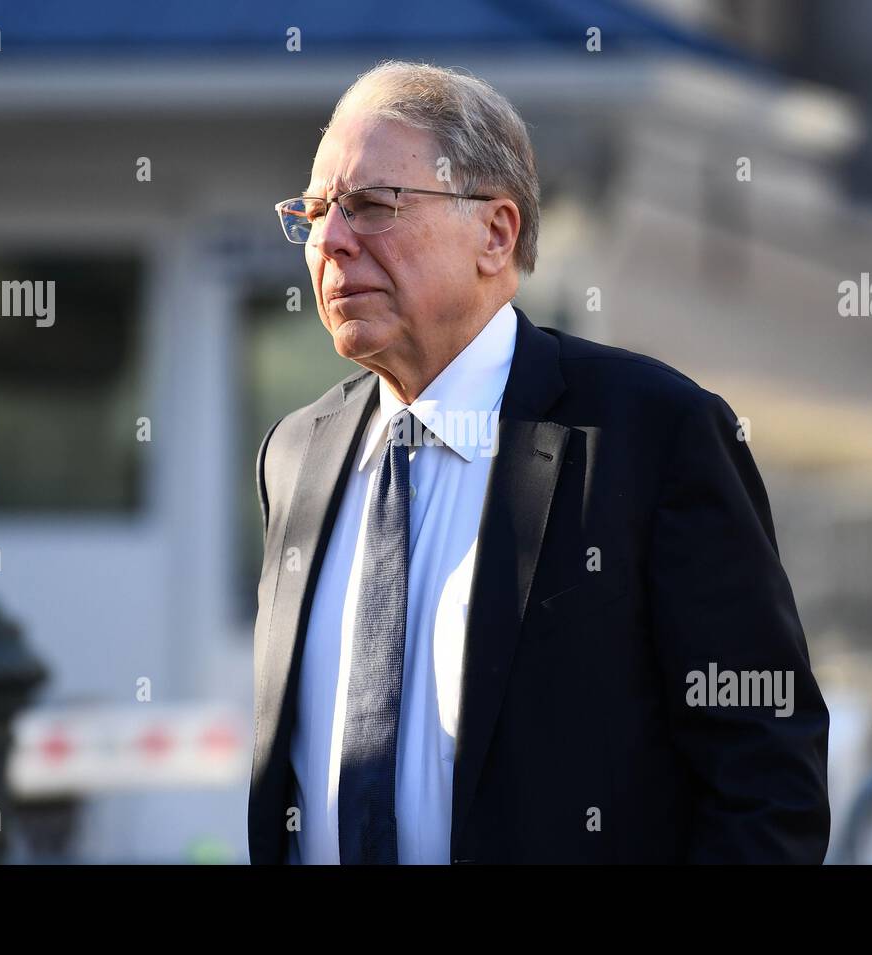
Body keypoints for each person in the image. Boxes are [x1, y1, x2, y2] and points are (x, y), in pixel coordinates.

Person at [249, 60, 830, 864]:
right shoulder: (295, 452)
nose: (331, 240)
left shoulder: (652, 434)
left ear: (496, 233)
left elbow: (766, 778)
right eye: (314, 211)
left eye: (371, 206)